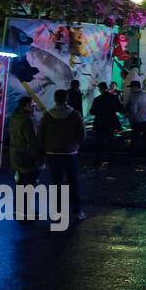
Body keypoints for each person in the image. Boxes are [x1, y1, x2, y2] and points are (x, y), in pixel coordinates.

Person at [40, 89, 86, 223]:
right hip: (70, 153)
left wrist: (43, 151)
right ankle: (77, 211)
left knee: (56, 183)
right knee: (73, 182)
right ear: (67, 99)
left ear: (55, 99)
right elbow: (82, 134)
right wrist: (76, 145)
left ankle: (57, 212)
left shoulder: (47, 116)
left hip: (52, 154)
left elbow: (41, 134)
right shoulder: (75, 115)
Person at [9, 97, 43, 201]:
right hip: (27, 157)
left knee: (20, 183)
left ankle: (19, 208)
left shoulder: (15, 117)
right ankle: (26, 210)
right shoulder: (27, 120)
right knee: (29, 184)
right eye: (32, 105)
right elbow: (32, 142)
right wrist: (39, 159)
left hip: (16, 155)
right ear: (25, 106)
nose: (34, 107)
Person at [89, 82, 124, 163]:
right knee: (111, 141)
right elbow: (119, 108)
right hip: (111, 122)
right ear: (106, 88)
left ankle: (98, 159)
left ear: (100, 89)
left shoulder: (97, 99)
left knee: (99, 142)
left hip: (100, 123)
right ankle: (112, 159)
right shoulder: (114, 97)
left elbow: (92, 111)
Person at [122, 80, 146, 156]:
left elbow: (133, 111)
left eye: (131, 88)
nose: (130, 89)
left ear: (135, 87)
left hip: (139, 121)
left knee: (135, 138)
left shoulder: (135, 97)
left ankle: (132, 155)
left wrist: (129, 119)